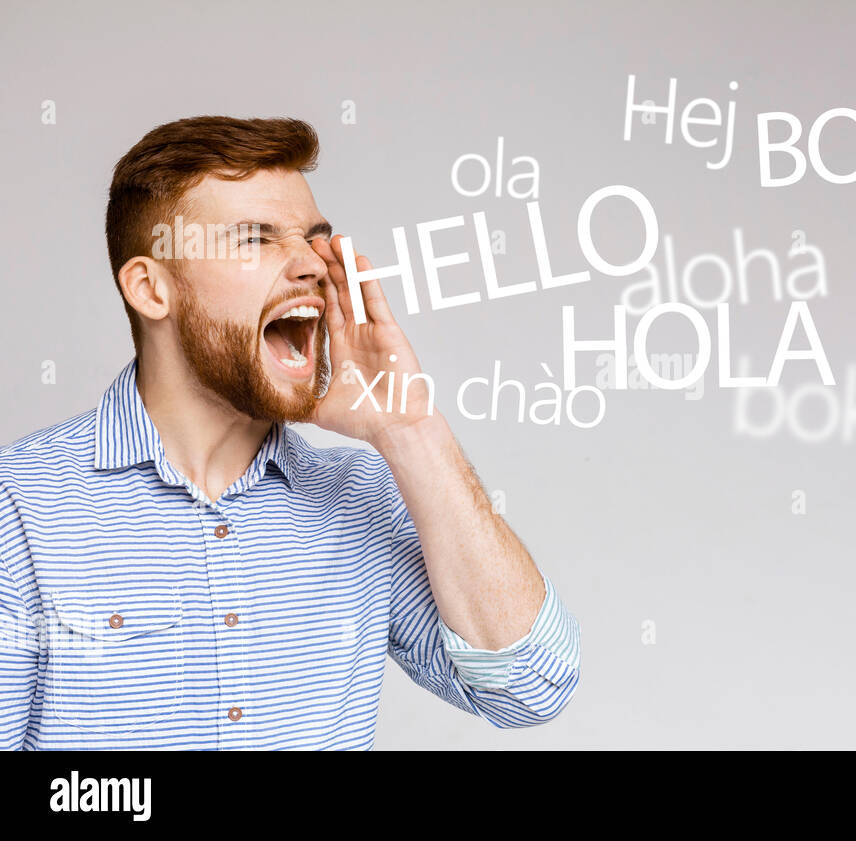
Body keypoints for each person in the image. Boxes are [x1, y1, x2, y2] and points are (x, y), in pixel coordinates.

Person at [0, 116, 580, 749]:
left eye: (314, 239)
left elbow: (532, 685)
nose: (311, 266)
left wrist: (412, 429)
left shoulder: (356, 497)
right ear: (151, 288)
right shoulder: (21, 505)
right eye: (255, 239)